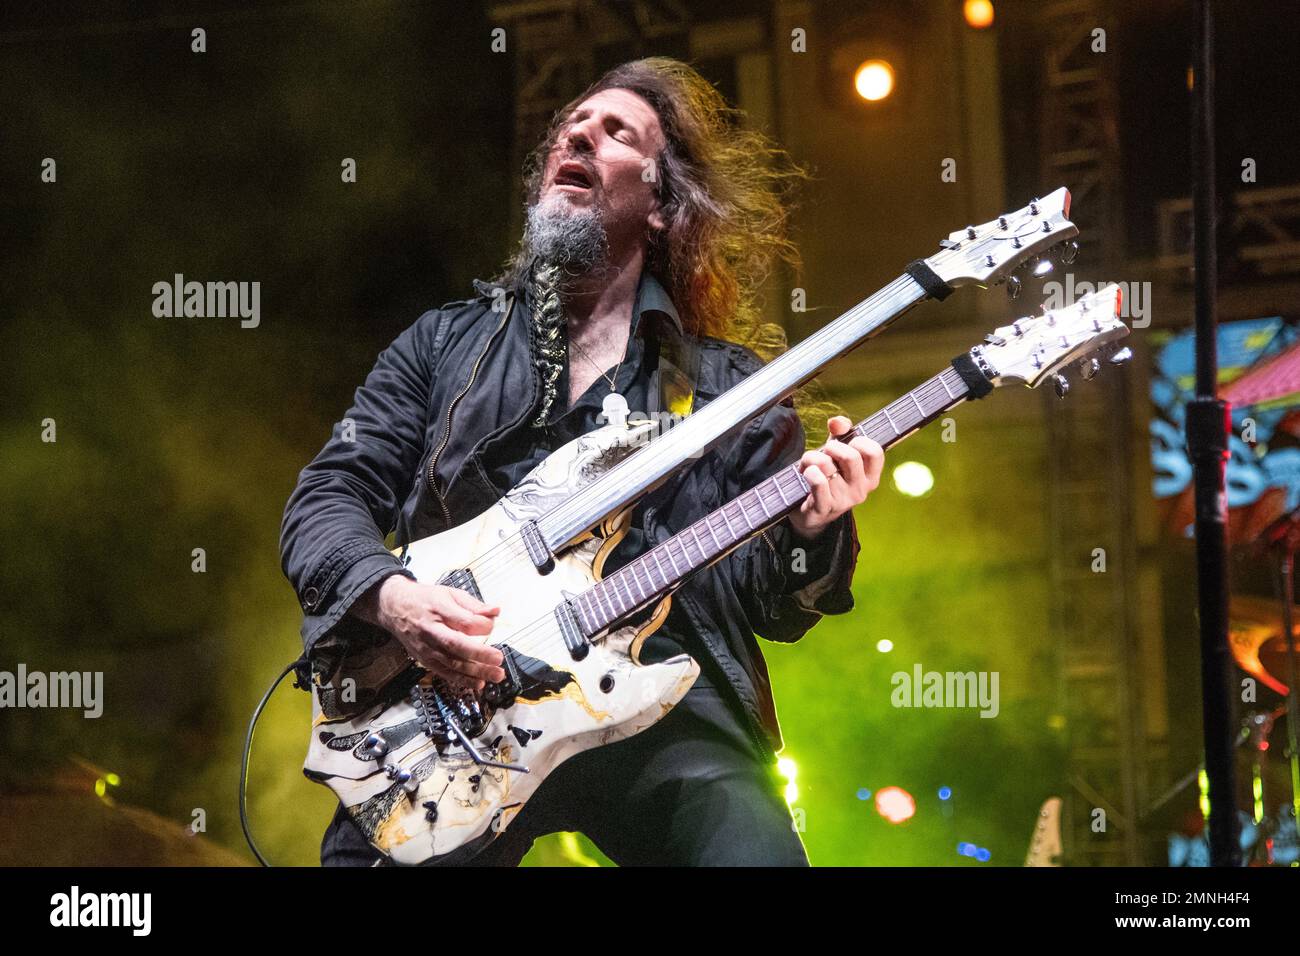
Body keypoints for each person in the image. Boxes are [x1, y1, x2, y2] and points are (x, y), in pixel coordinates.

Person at [280, 57, 884, 867]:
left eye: (615, 132)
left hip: (667, 703)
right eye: (572, 126)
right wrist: (393, 598)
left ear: (662, 205)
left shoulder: (730, 389)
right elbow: (328, 494)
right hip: (452, 705)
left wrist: (816, 530)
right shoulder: (442, 345)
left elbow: (776, 606)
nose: (578, 136)